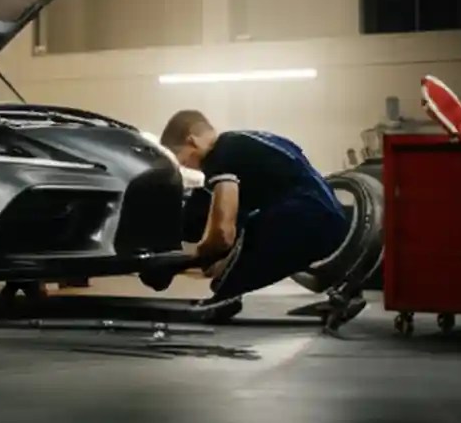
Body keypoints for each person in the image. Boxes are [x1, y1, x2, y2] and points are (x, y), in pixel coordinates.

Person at [141, 110, 350, 303]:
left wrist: (181, 263)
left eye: (183, 160)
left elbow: (223, 234)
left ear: (192, 141)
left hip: (306, 220)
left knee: (223, 289)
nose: (188, 167)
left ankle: (220, 299)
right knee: (216, 215)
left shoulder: (220, 155)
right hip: (335, 221)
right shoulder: (254, 141)